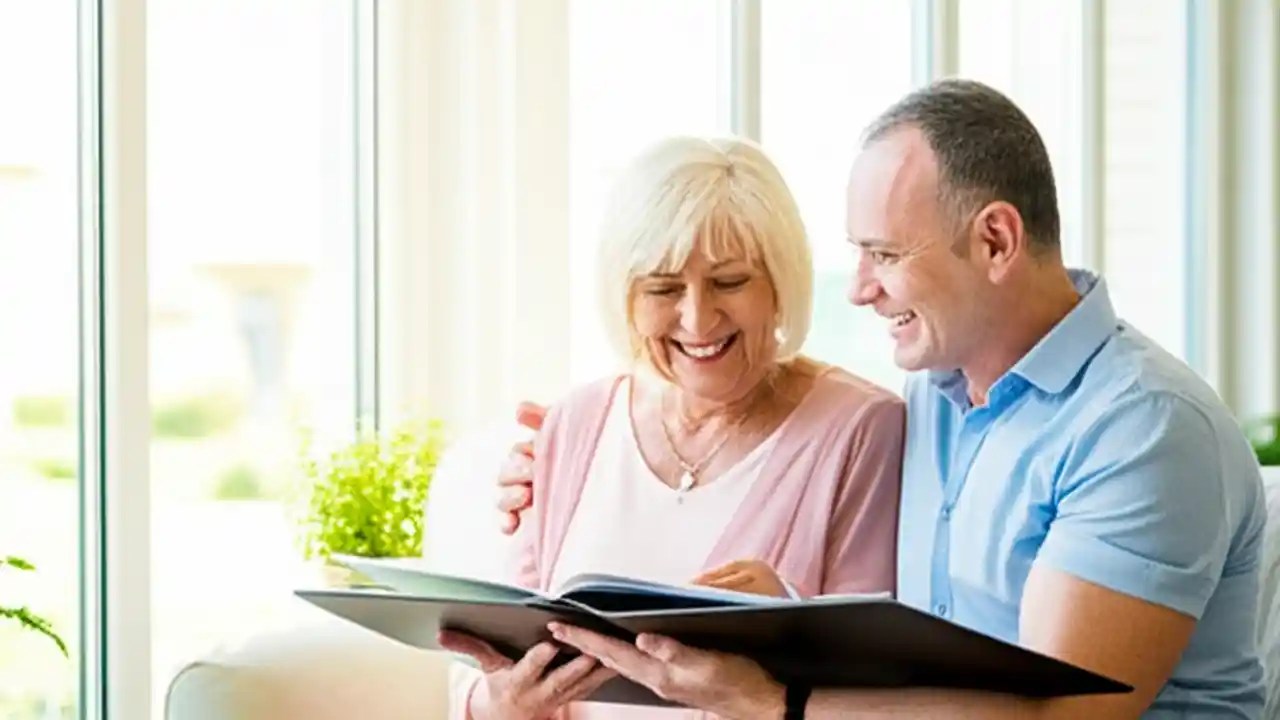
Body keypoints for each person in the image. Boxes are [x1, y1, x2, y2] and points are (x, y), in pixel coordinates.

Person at [498, 79, 1267, 719]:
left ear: (996, 242)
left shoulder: (1143, 429)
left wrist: (778, 701)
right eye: (858, 254)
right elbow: (912, 651)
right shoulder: (935, 399)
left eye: (886, 255)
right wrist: (574, 455)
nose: (861, 289)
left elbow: (1055, 716)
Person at [441, 135, 907, 720]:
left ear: (778, 285)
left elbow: (876, 688)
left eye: (730, 281)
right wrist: (499, 705)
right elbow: (502, 664)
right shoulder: (576, 424)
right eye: (663, 288)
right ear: (626, 298)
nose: (697, 318)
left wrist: (788, 618)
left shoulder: (860, 429)